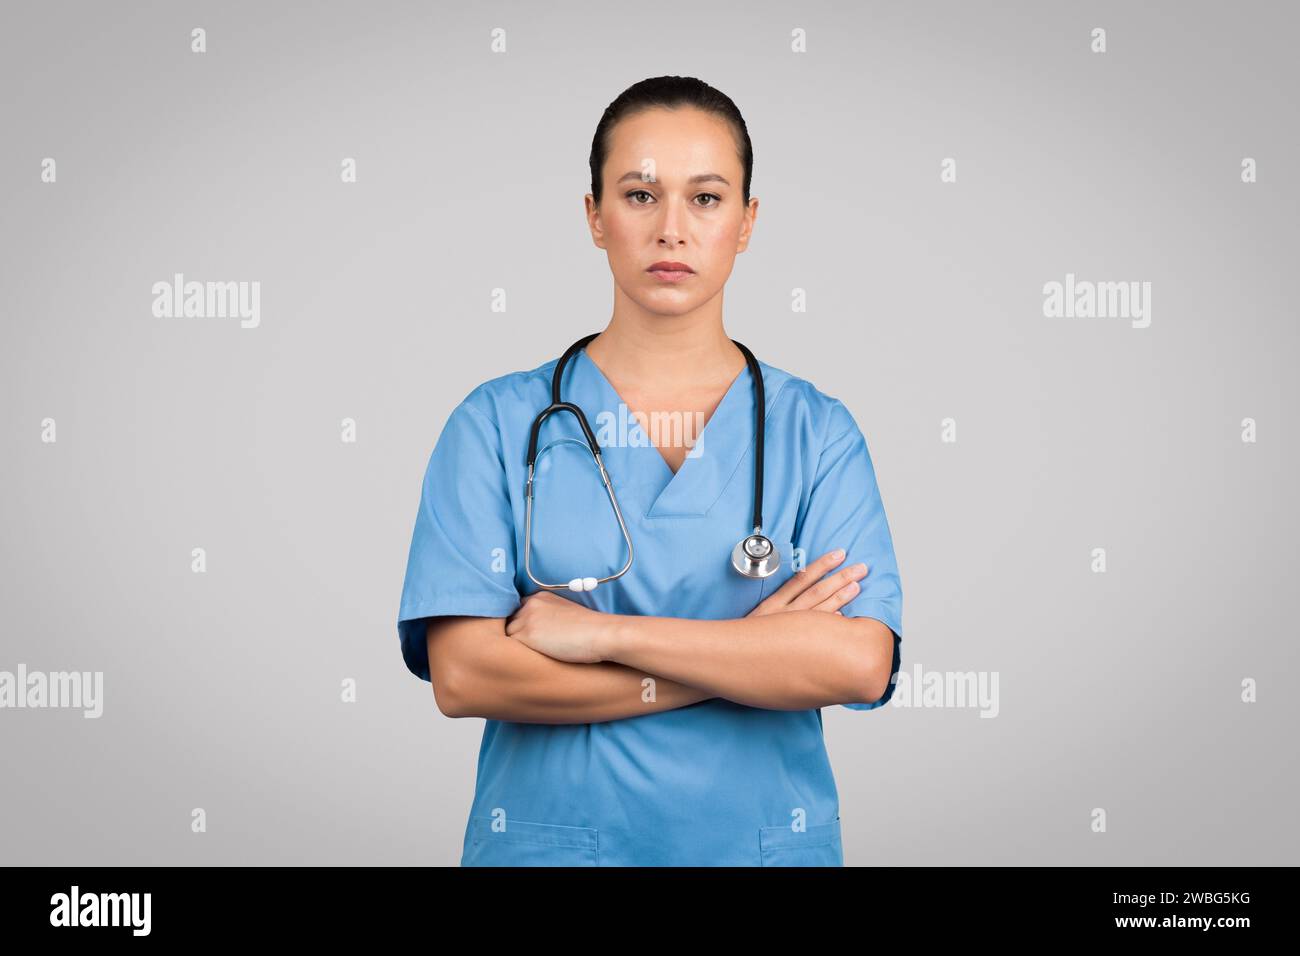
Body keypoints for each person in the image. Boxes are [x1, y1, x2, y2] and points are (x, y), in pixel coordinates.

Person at [396, 75, 903, 866]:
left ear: (747, 222)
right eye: (639, 195)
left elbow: (859, 663)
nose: (672, 230)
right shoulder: (496, 425)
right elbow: (465, 678)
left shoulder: (817, 432)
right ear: (595, 217)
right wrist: (749, 654)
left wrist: (602, 635)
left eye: (706, 199)